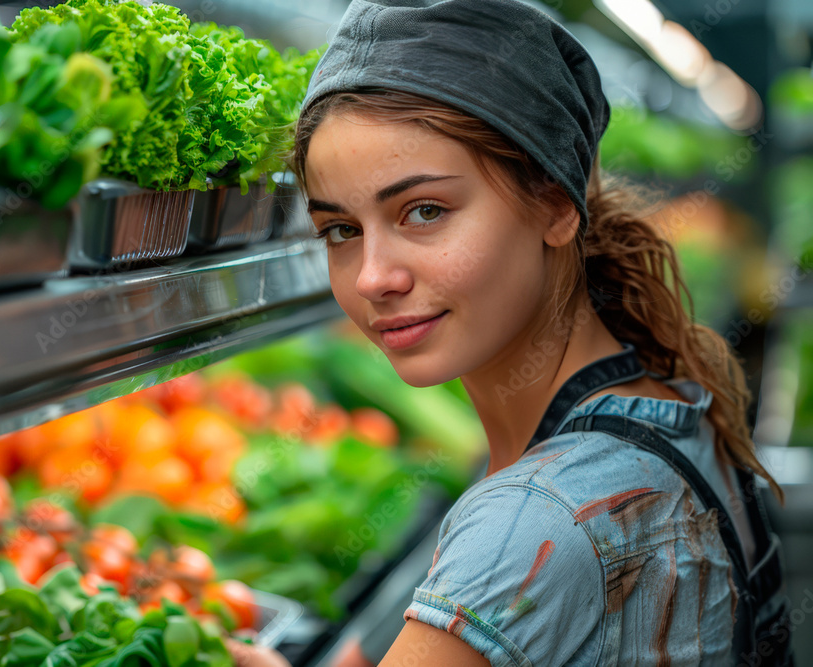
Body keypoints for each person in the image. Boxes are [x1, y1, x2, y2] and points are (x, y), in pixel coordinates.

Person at [228, 0, 792, 665]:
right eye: (341, 230)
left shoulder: (531, 523)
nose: (373, 276)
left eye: (424, 210)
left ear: (555, 202)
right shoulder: (666, 401)